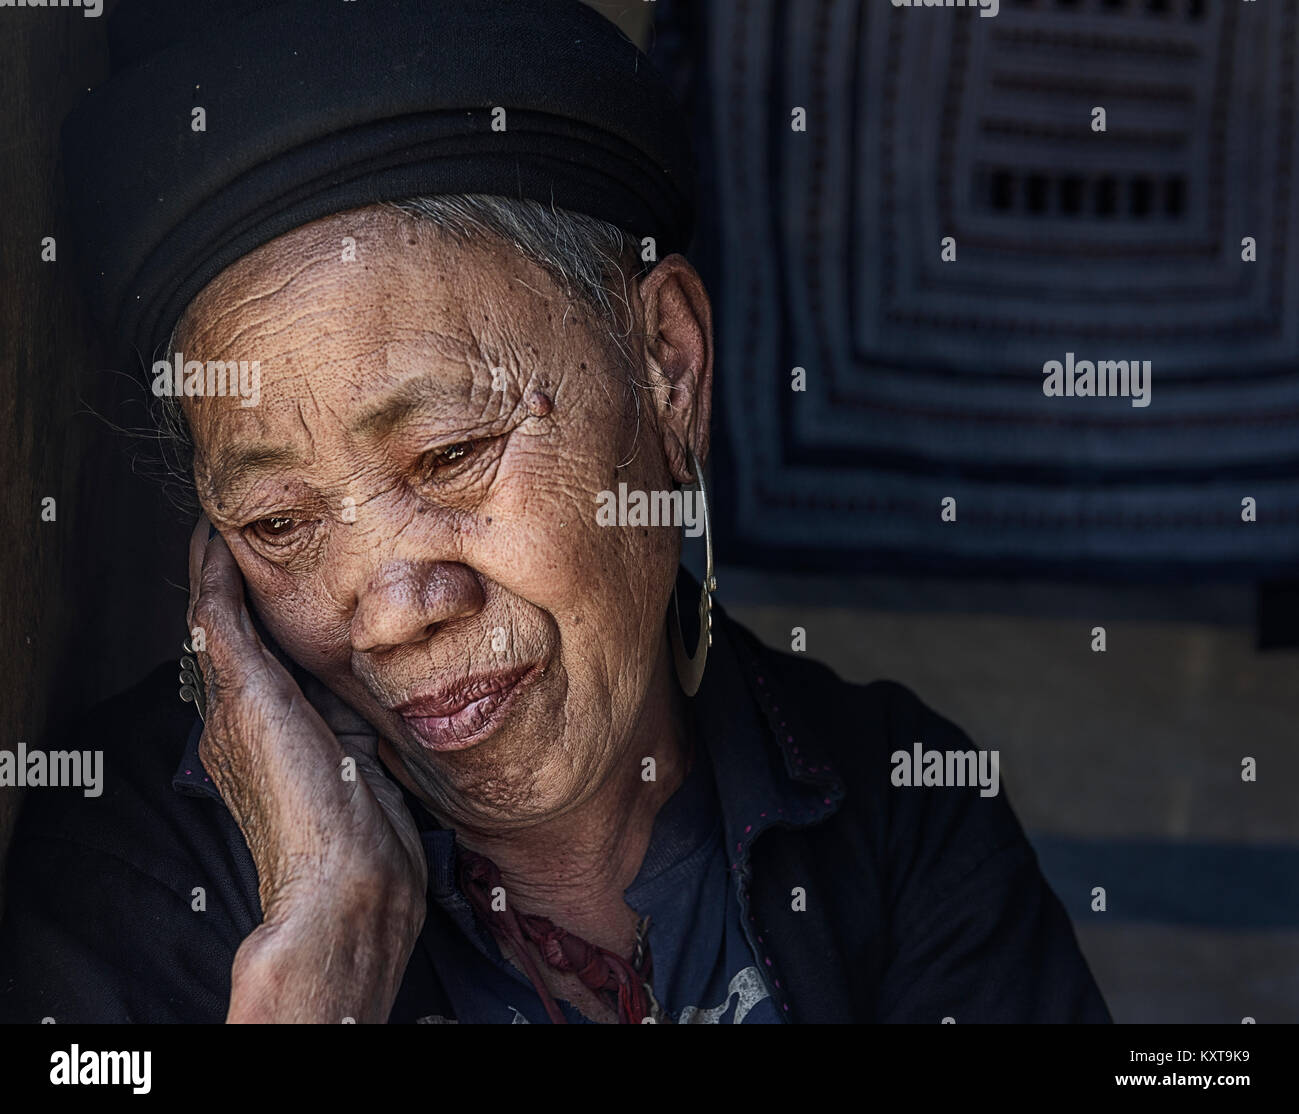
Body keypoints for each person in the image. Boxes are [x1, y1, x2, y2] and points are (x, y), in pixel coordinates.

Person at [0, 0, 1108, 1024]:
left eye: (451, 452)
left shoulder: (895, 813)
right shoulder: (131, 873)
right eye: (279, 523)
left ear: (668, 367)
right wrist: (317, 967)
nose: (390, 614)